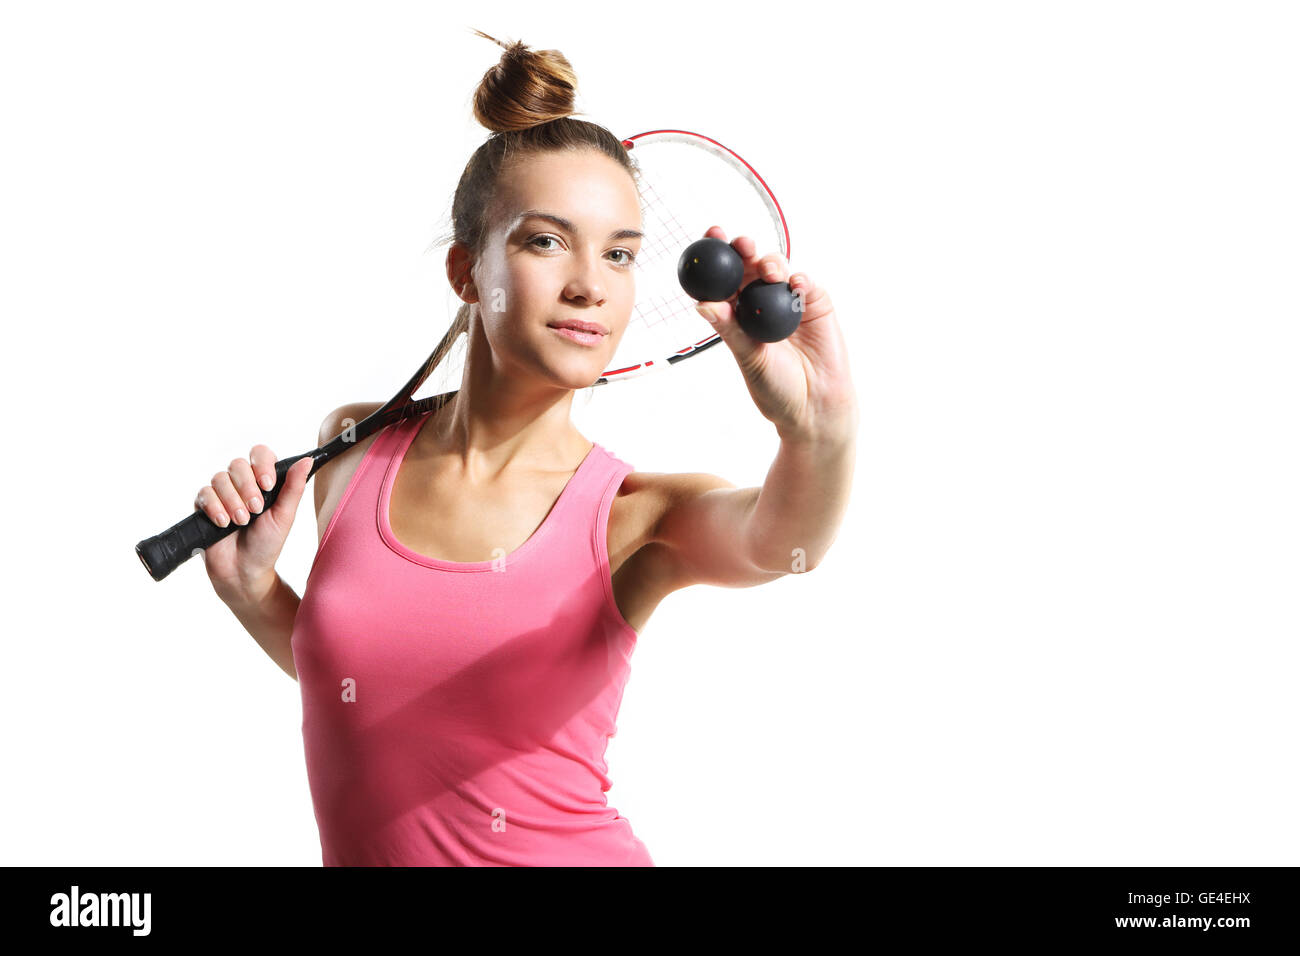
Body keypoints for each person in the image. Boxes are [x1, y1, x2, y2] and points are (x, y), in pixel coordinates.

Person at [193, 29, 858, 866]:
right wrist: (254, 591)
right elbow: (383, 700)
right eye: (547, 241)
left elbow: (783, 545)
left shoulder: (636, 514)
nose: (591, 283)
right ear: (467, 274)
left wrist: (820, 432)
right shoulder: (354, 449)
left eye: (620, 254)